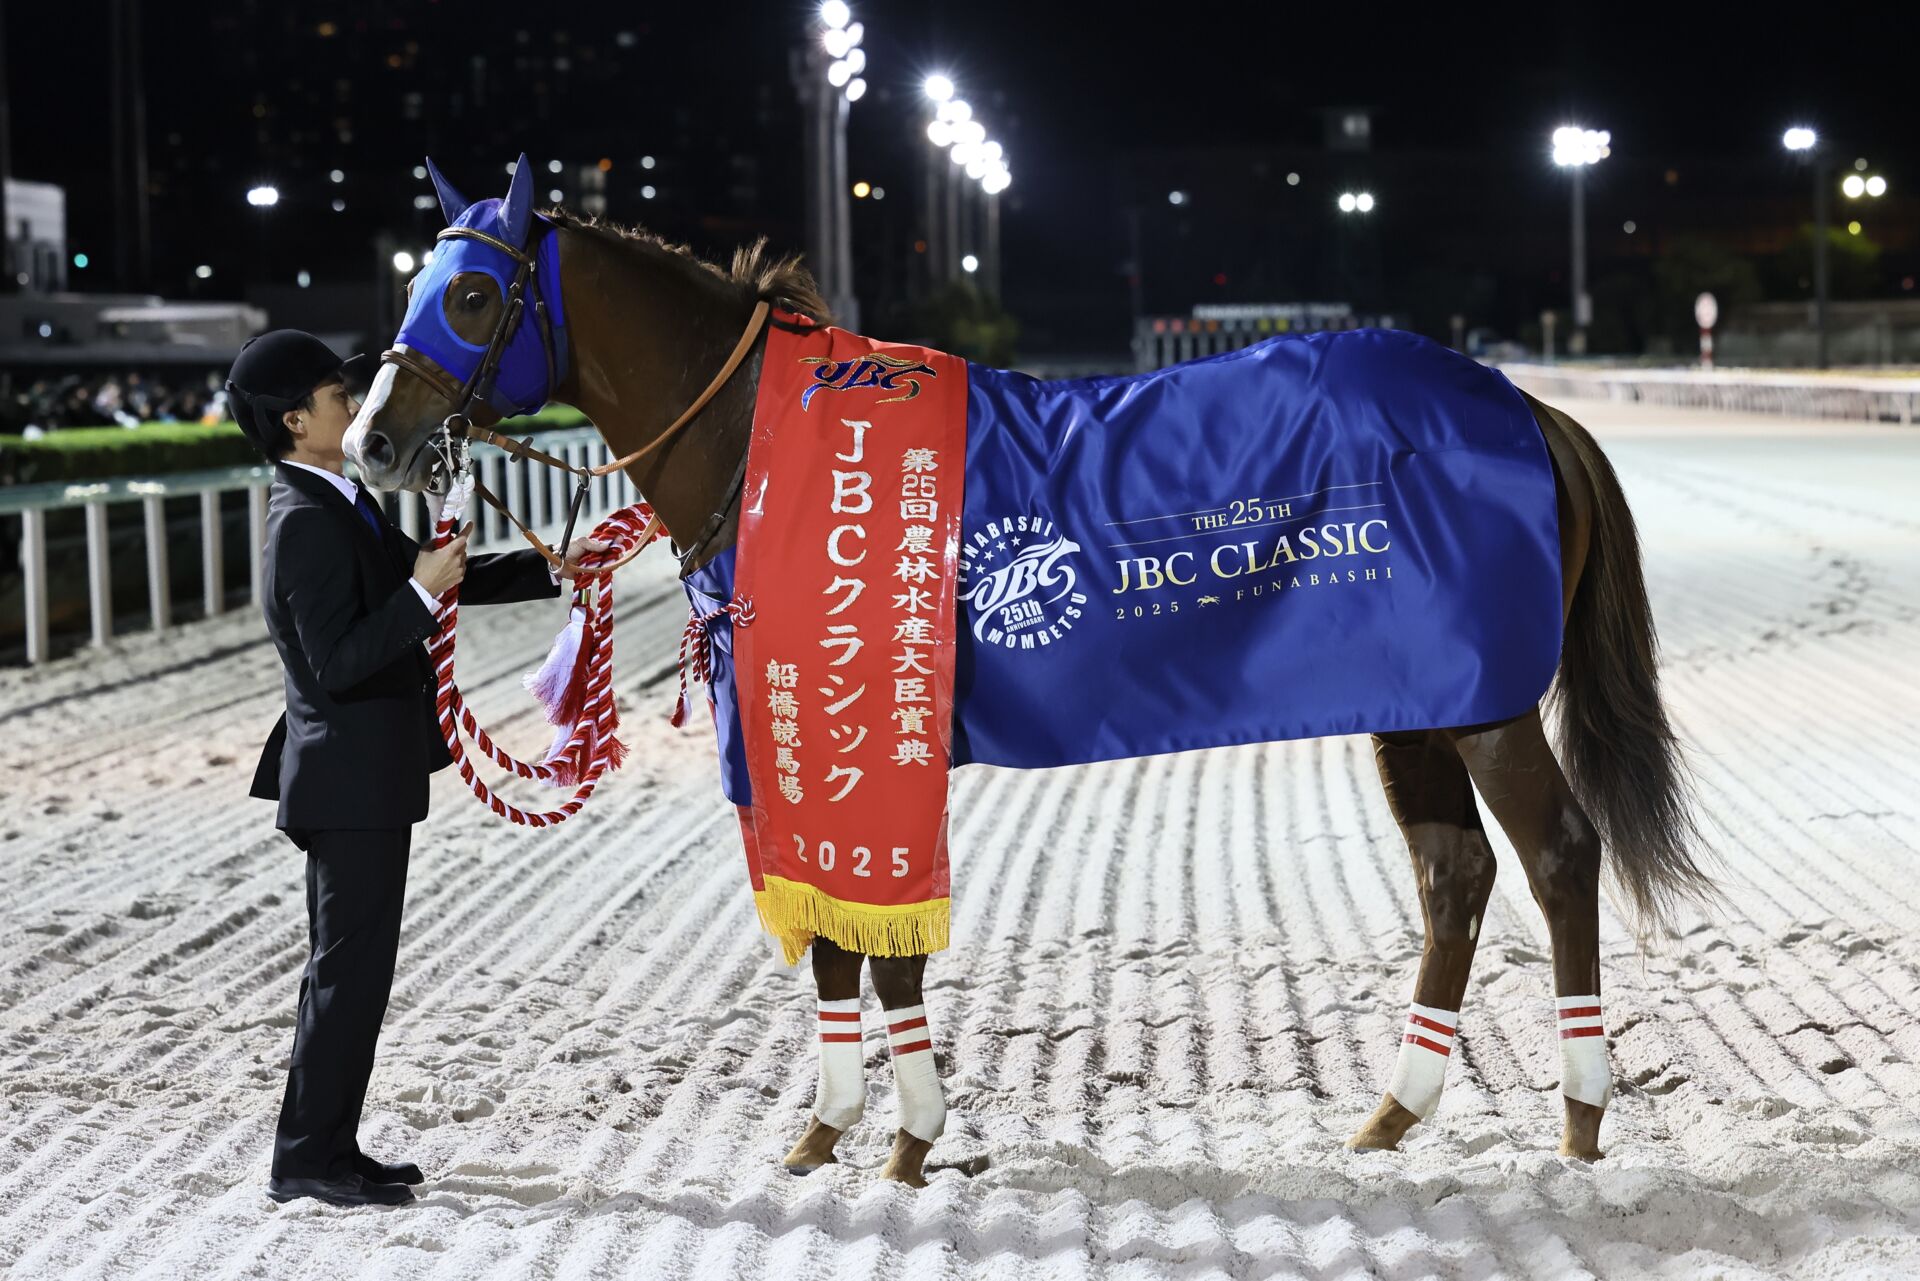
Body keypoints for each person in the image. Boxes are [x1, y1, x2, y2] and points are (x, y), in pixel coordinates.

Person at [226, 330, 599, 1208]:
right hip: (344, 780)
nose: (350, 404)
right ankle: (305, 1159)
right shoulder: (304, 521)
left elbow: (439, 576)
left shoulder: (337, 500)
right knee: (344, 975)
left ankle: (332, 1147)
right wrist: (424, 591)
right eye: (332, 395)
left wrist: (555, 569)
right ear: (294, 421)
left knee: (359, 975)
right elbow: (341, 659)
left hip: (365, 776)